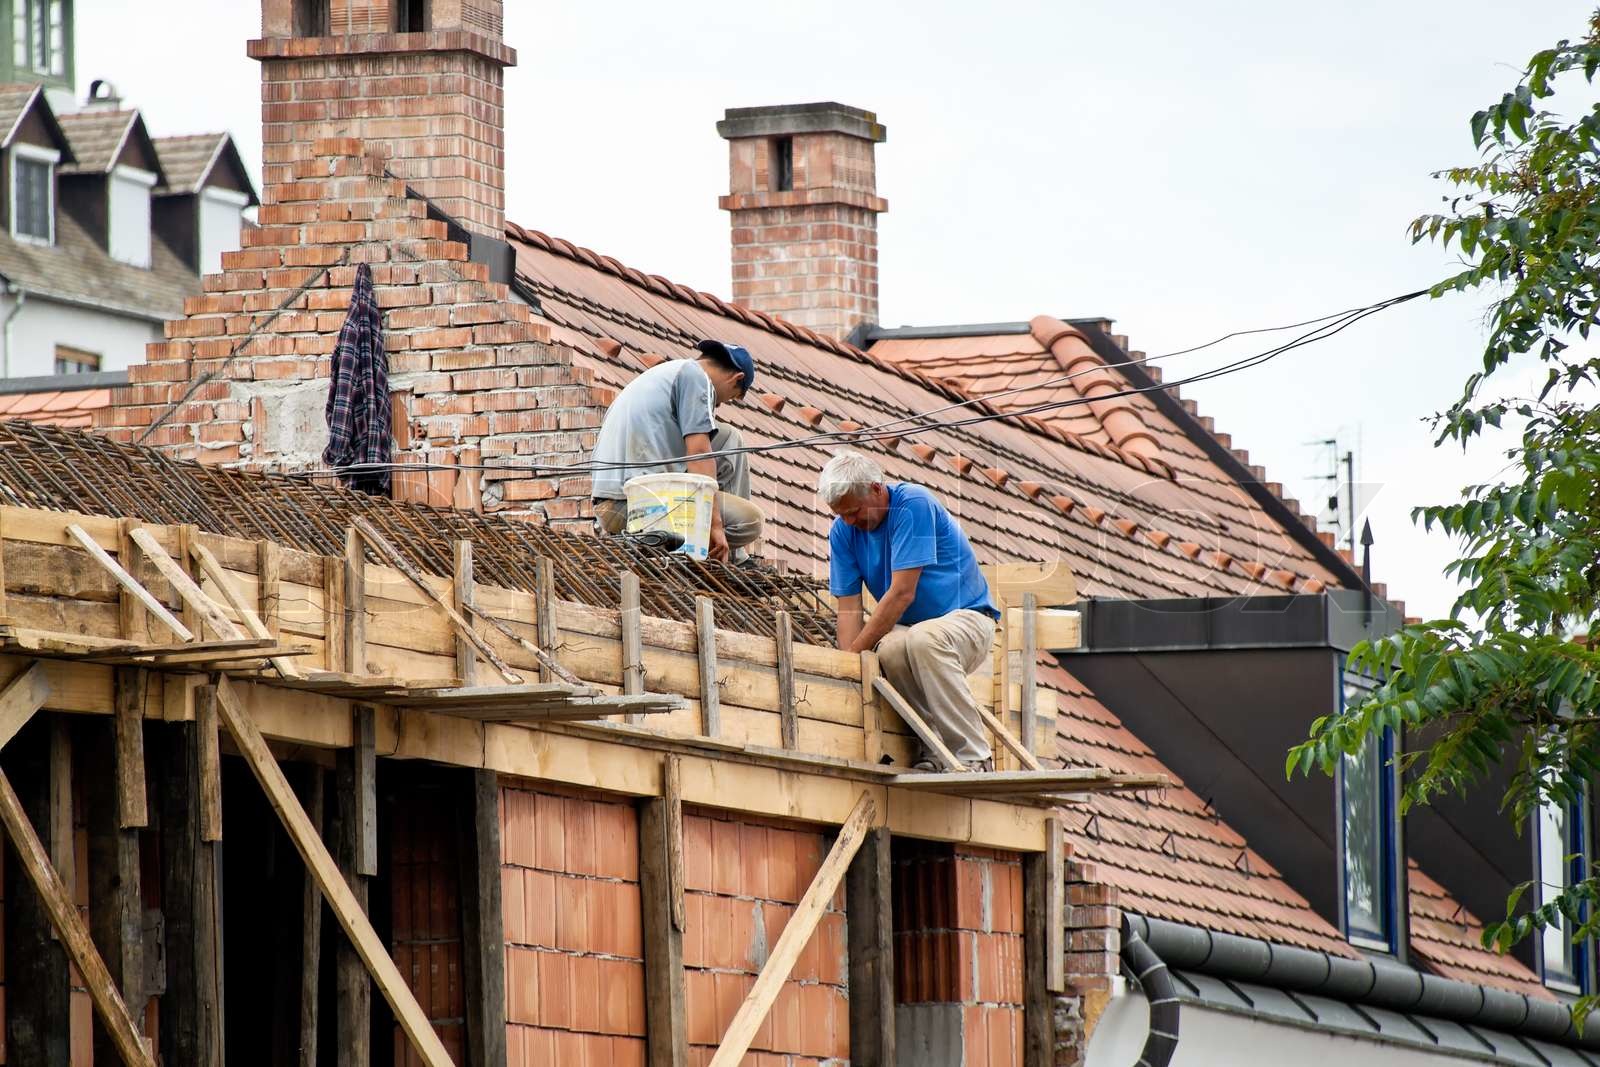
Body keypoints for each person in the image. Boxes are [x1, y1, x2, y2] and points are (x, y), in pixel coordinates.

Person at [819, 449, 998, 771]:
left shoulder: (913, 504)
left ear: (876, 489)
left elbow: (902, 593)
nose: (849, 522)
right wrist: (849, 665)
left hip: (969, 620)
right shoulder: (842, 532)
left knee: (922, 640)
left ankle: (974, 756)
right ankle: (934, 753)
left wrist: (857, 653)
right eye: (840, 514)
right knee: (889, 649)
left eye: (854, 511)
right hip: (911, 630)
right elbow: (848, 610)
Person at [590, 339, 765, 561]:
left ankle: (727, 553)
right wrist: (715, 524)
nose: (717, 406)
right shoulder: (697, 378)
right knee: (750, 521)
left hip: (610, 504)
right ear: (737, 379)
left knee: (731, 437)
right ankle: (730, 559)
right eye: (728, 399)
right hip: (637, 507)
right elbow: (699, 453)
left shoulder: (667, 373)